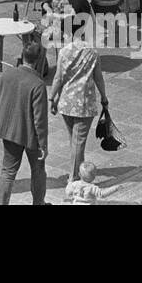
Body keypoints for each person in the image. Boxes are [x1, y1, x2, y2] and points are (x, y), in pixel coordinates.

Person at [0, 41, 48, 206]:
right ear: (39, 60)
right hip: (31, 136)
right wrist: (43, 145)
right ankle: (38, 203)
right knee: (38, 170)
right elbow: (40, 119)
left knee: (8, 172)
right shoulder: (38, 84)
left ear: (22, 56)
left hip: (9, 131)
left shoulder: (6, 75)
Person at [50, 36, 108, 183]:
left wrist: (52, 98)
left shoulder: (64, 52)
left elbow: (58, 78)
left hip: (66, 102)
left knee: (74, 141)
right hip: (84, 104)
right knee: (78, 142)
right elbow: (98, 78)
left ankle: (78, 172)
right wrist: (103, 96)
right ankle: (74, 178)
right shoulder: (92, 53)